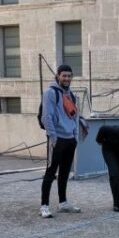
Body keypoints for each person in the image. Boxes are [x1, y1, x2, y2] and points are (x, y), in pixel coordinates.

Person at [40, 64, 82, 218]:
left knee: (64, 172)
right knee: (50, 172)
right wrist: (53, 137)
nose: (67, 78)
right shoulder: (50, 93)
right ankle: (44, 206)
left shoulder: (71, 94)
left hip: (70, 139)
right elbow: (46, 117)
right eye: (64, 75)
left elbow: (75, 116)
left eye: (69, 76)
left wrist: (75, 135)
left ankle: (63, 203)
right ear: (58, 76)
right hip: (57, 139)